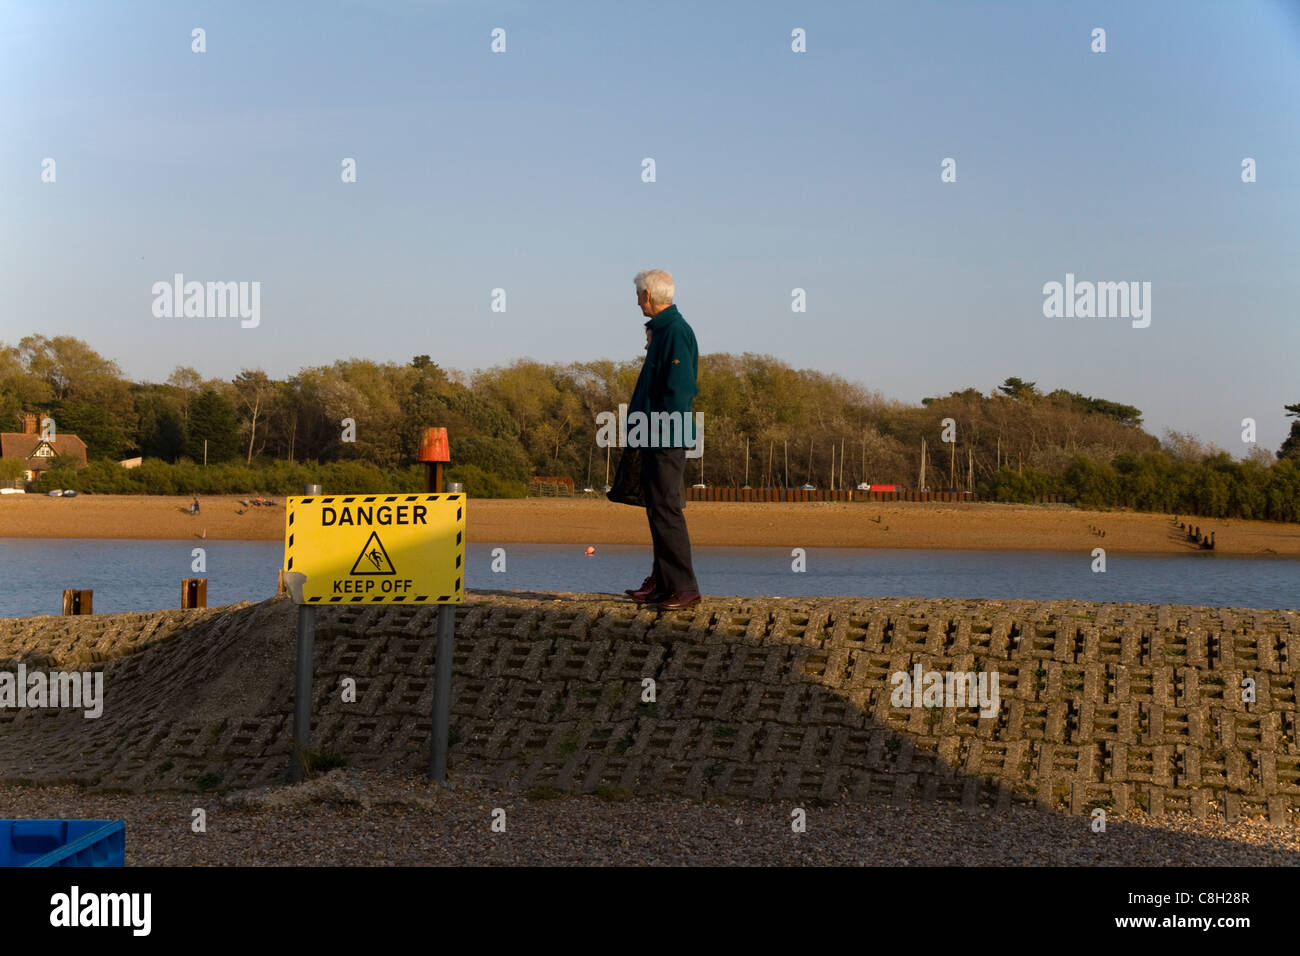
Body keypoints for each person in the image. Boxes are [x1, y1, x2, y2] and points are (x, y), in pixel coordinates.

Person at [623, 269, 702, 609]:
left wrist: (657, 429)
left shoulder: (675, 331)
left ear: (649, 296)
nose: (637, 300)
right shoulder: (662, 330)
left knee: (667, 507)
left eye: (639, 294)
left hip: (665, 436)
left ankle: (685, 588)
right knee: (656, 507)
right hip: (653, 433)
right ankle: (663, 582)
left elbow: (681, 389)